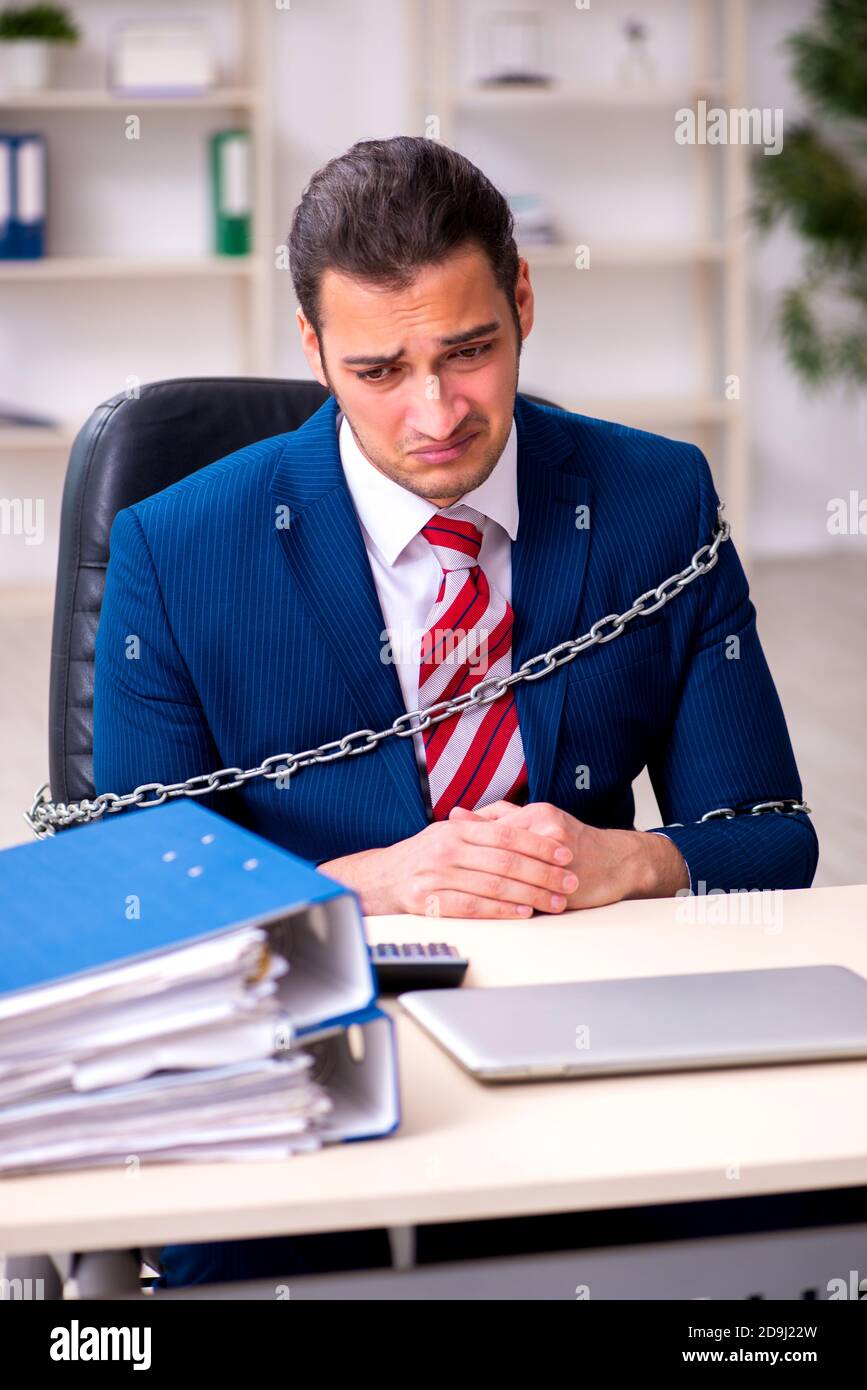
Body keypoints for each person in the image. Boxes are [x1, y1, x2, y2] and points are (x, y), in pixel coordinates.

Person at [93, 137, 817, 1287]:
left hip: (593, 1024)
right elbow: (125, 889)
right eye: (379, 370)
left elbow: (773, 839)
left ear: (522, 299)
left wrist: (627, 861)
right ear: (315, 350)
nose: (435, 411)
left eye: (469, 352)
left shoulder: (657, 499)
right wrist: (371, 882)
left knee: (765, 1242)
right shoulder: (179, 549)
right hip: (306, 1034)